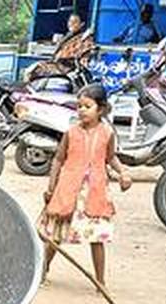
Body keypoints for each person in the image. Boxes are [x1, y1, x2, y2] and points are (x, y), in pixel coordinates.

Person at [41, 83, 132, 288]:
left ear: (101, 109)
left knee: (97, 236)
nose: (82, 110)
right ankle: (42, 270)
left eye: (87, 106)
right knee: (56, 235)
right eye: (79, 106)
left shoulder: (107, 133)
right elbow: (58, 159)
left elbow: (111, 157)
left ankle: (100, 281)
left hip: (94, 192)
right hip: (68, 190)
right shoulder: (71, 133)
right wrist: (51, 188)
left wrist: (123, 172)